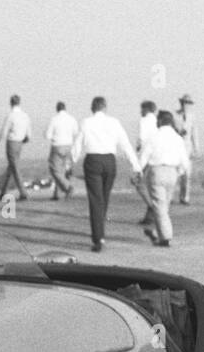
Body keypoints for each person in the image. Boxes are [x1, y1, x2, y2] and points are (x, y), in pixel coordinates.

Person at [74, 96, 135, 252]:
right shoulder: (114, 122)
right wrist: (136, 165)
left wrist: (70, 162)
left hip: (93, 160)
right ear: (105, 107)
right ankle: (100, 231)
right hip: (109, 161)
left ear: (92, 108)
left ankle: (98, 237)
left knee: (95, 200)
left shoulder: (86, 122)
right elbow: (125, 144)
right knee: (104, 198)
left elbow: (78, 144)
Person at [135, 110, 188, 248]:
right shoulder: (178, 138)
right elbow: (185, 161)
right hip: (172, 172)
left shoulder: (154, 137)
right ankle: (158, 232)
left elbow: (144, 157)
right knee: (165, 205)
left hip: (157, 171)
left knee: (159, 206)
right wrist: (179, 172)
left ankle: (165, 237)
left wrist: (138, 171)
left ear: (159, 121)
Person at [0, 94, 31, 200]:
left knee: (14, 168)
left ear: (11, 103)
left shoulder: (11, 116)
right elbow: (28, 135)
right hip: (20, 143)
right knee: (11, 168)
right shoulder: (25, 116)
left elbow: (3, 133)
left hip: (12, 143)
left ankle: (23, 192)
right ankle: (3, 192)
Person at [45, 101, 78, 199]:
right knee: (62, 171)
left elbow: (48, 135)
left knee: (54, 170)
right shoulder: (71, 119)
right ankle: (57, 194)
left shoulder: (54, 119)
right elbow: (75, 132)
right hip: (68, 145)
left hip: (57, 146)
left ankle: (68, 187)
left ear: (57, 109)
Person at [136, 100, 158, 228]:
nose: (140, 112)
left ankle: (152, 208)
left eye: (142, 109)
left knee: (139, 184)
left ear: (146, 109)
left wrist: (137, 151)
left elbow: (141, 139)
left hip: (146, 157)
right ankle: (150, 214)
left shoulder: (143, 121)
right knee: (150, 186)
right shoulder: (157, 121)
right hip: (156, 157)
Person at [175, 94, 199, 204]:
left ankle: (184, 197)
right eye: (185, 103)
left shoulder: (192, 117)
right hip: (176, 145)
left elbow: (194, 133)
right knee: (175, 172)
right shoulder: (176, 115)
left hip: (187, 146)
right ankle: (170, 196)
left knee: (187, 173)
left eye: (188, 103)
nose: (186, 105)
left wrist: (196, 148)